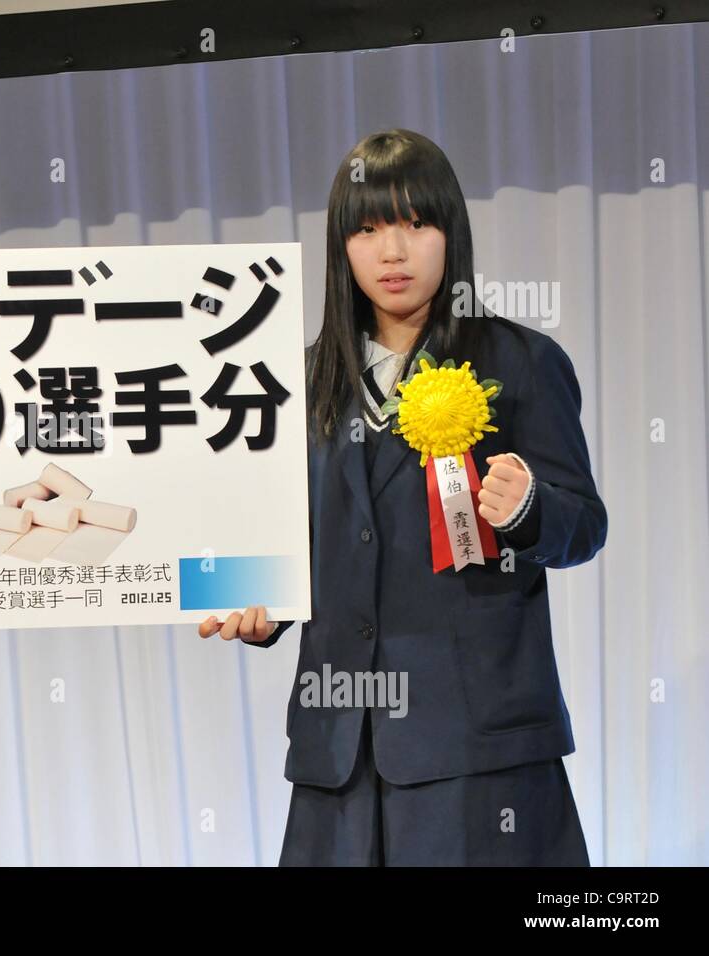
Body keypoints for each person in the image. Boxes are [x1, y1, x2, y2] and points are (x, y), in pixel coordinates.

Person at [199, 129, 605, 865]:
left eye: (416, 223)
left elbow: (584, 526)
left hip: (477, 751)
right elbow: (296, 543)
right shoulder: (300, 383)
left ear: (451, 232)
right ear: (340, 247)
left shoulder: (522, 363)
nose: (392, 251)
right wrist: (263, 610)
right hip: (339, 757)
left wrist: (528, 509)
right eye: (367, 228)